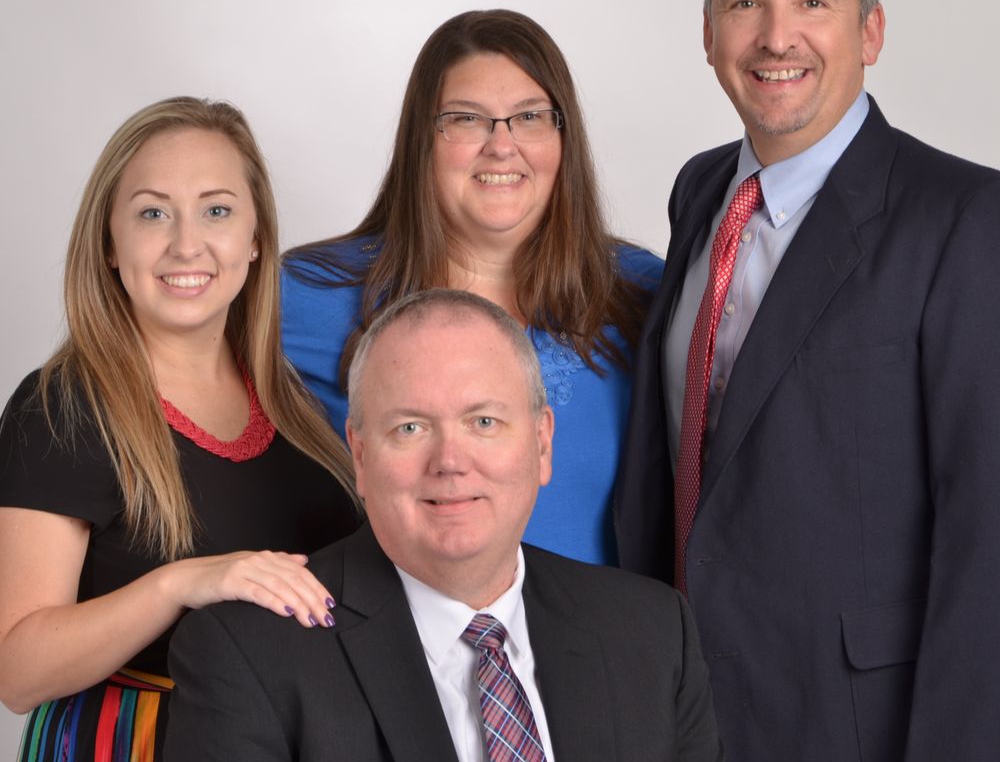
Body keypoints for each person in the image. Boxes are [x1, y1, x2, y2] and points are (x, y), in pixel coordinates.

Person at [616, 0, 1000, 762]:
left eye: (812, 3)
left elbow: (988, 534)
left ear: (871, 32)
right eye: (744, 3)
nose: (776, 37)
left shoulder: (966, 219)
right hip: (682, 708)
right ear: (708, 32)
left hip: (858, 723)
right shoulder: (702, 191)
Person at [166, 288, 723, 761]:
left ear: (542, 443)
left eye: (484, 421)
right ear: (359, 454)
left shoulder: (653, 634)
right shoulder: (246, 655)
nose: (450, 461)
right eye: (410, 428)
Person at [0, 98, 361, 760]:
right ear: (109, 244)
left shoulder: (297, 405)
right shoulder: (60, 409)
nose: (187, 244)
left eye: (217, 211)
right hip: (129, 744)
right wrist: (180, 584)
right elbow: (17, 673)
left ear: (256, 239)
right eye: (153, 213)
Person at [281, 9, 662, 567]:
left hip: (603, 621)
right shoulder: (308, 296)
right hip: (385, 622)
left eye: (529, 117)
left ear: (564, 135)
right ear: (423, 139)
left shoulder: (639, 292)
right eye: (466, 119)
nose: (501, 146)